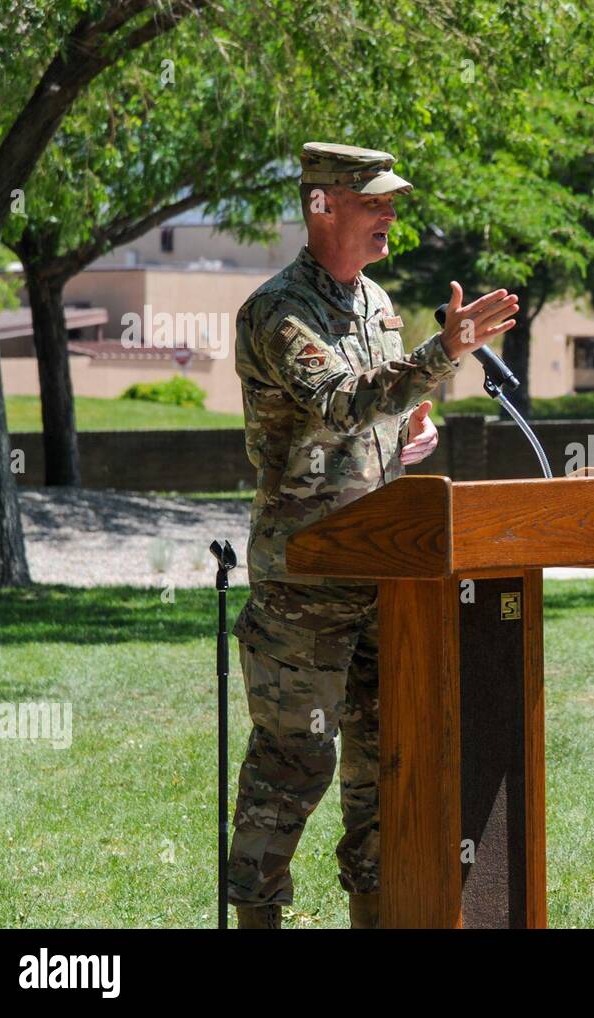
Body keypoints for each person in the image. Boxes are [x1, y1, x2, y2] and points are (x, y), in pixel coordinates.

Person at [226, 142, 518, 929]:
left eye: (392, 200)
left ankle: (379, 917)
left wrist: (407, 438)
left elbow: (376, 419)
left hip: (385, 577)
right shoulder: (276, 310)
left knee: (387, 770)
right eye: (373, 200)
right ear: (322, 206)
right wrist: (443, 352)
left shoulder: (378, 305)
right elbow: (344, 400)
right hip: (304, 585)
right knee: (293, 765)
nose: (390, 213)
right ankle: (255, 919)